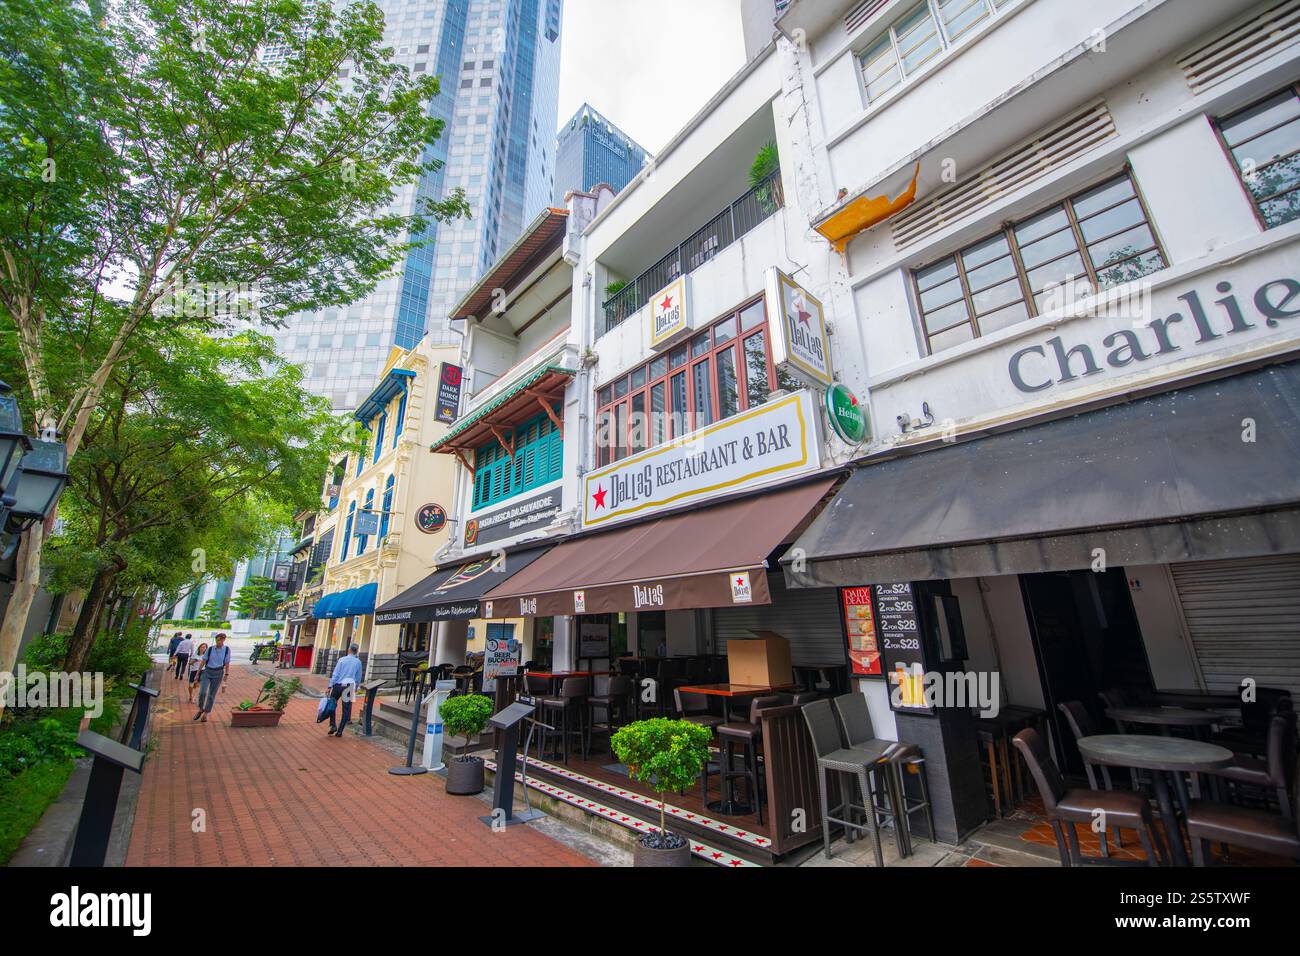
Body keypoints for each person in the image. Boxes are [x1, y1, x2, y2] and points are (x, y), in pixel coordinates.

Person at [326, 643, 364, 737]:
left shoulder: (341, 660)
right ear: (357, 651)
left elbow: (336, 674)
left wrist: (330, 686)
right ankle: (340, 731)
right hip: (349, 686)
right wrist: (356, 687)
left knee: (332, 704)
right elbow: (358, 677)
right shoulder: (358, 662)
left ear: (349, 650)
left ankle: (333, 724)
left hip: (338, 685)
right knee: (346, 709)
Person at [194, 632, 233, 722]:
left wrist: (226, 674)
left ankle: (206, 713)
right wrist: (198, 673)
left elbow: (227, 663)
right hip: (207, 671)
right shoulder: (210, 649)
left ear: (224, 640)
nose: (219, 642)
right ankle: (200, 709)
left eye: (221, 640)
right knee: (202, 692)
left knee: (211, 694)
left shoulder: (226, 649)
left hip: (218, 672)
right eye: (217, 640)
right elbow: (204, 661)